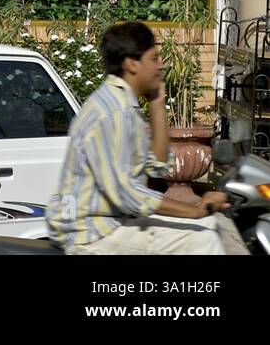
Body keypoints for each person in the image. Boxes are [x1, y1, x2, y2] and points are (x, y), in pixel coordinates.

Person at [48, 21, 246, 255]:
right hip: (89, 232)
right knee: (202, 240)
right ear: (132, 64)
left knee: (217, 224)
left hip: (114, 223)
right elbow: (126, 195)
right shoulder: (113, 112)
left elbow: (158, 165)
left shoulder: (124, 106)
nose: (161, 66)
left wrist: (157, 104)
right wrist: (194, 210)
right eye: (154, 58)